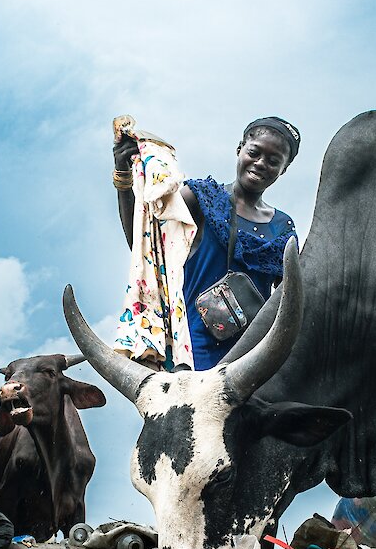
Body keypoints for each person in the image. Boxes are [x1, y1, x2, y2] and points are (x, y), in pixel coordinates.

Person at [113, 117, 300, 370]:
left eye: (274, 161)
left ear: (284, 169)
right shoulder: (201, 197)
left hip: (253, 357)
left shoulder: (283, 228)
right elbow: (145, 246)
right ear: (240, 149)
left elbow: (286, 301)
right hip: (192, 351)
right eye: (254, 152)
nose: (260, 163)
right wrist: (124, 178)